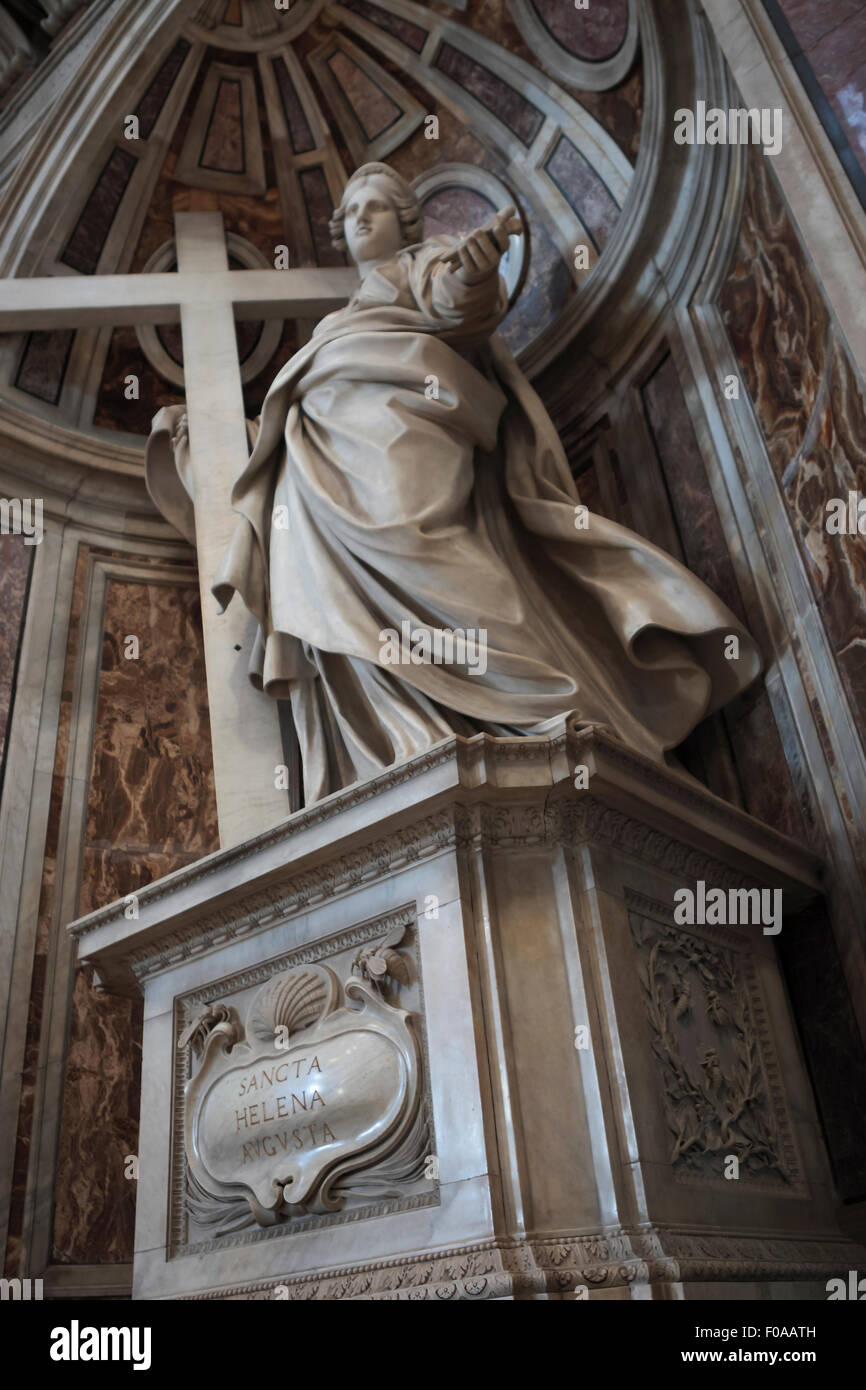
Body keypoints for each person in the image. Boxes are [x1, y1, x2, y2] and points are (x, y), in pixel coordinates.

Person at [149, 161, 760, 803]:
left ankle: (556, 703)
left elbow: (456, 302)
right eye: (353, 210)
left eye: (376, 207)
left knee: (425, 546)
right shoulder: (343, 317)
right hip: (319, 455)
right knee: (327, 592)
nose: (361, 218)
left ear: (406, 222)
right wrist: (223, 442)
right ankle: (401, 742)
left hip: (403, 433)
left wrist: (474, 265)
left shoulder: (426, 261)